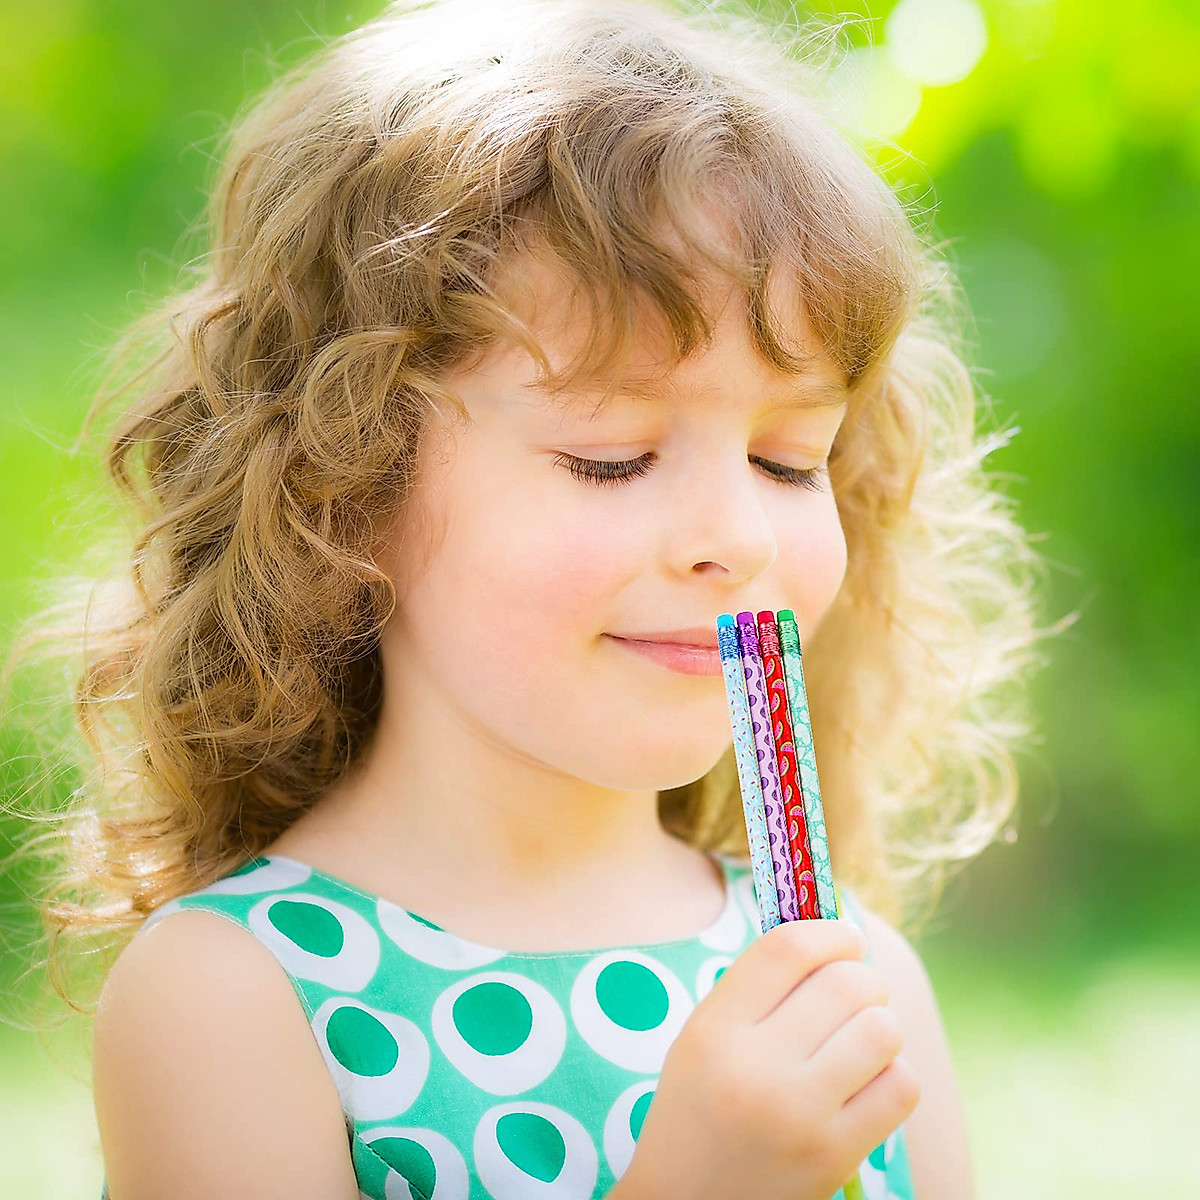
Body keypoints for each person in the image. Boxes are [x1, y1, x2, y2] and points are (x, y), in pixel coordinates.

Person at [4, 0, 1045, 1196]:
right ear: (342, 482)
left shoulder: (855, 983)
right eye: (611, 456)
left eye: (789, 460)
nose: (735, 537)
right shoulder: (235, 999)